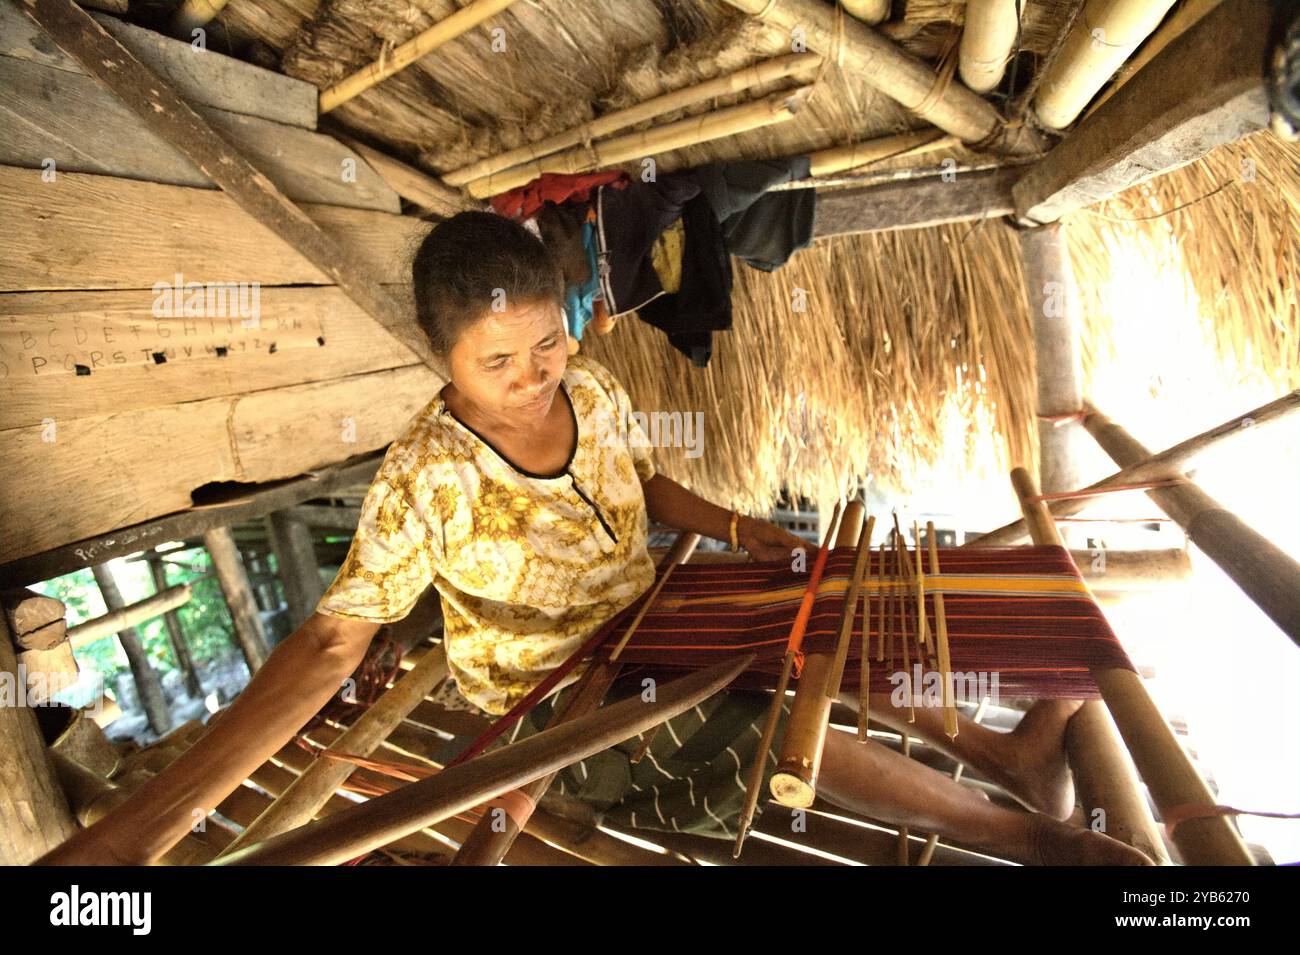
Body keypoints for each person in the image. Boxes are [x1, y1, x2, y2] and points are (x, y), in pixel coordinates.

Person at [38, 212, 1151, 865]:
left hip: (655, 604)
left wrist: (736, 530)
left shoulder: (601, 391)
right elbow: (331, 645)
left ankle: (997, 752)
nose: (530, 381)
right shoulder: (422, 477)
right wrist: (157, 816)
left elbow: (649, 483)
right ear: (442, 360)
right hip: (552, 681)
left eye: (542, 352)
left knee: (824, 605)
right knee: (749, 716)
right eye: (496, 364)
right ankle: (1016, 838)